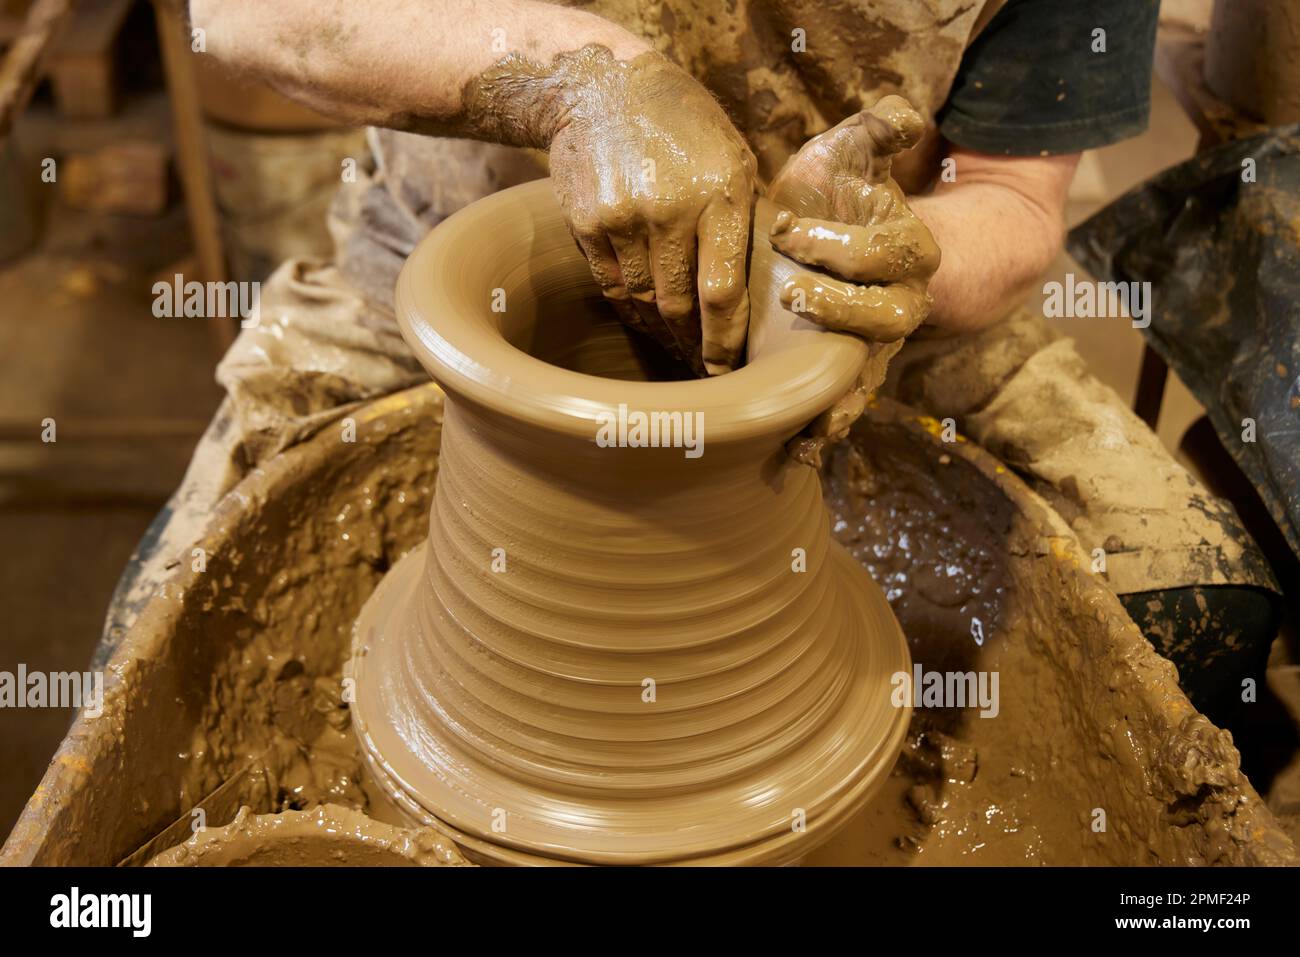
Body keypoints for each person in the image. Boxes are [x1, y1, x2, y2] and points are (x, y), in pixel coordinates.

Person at [106, 0, 1275, 708]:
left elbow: (1012, 198)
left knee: (1195, 617)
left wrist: (907, 253)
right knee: (166, 659)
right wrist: (576, 80)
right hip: (437, 308)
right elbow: (244, 15)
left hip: (876, 318)